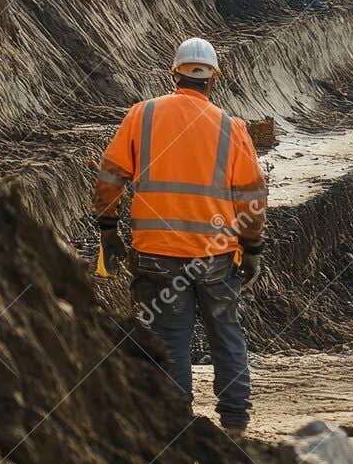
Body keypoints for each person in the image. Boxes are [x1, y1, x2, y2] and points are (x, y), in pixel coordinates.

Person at [94, 38, 268, 437]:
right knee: (226, 335)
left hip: (157, 254)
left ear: (175, 74)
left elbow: (109, 178)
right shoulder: (231, 127)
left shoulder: (142, 116)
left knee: (170, 343)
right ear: (213, 79)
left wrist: (108, 228)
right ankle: (236, 426)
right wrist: (253, 247)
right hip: (217, 257)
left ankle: (175, 430)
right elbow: (252, 195)